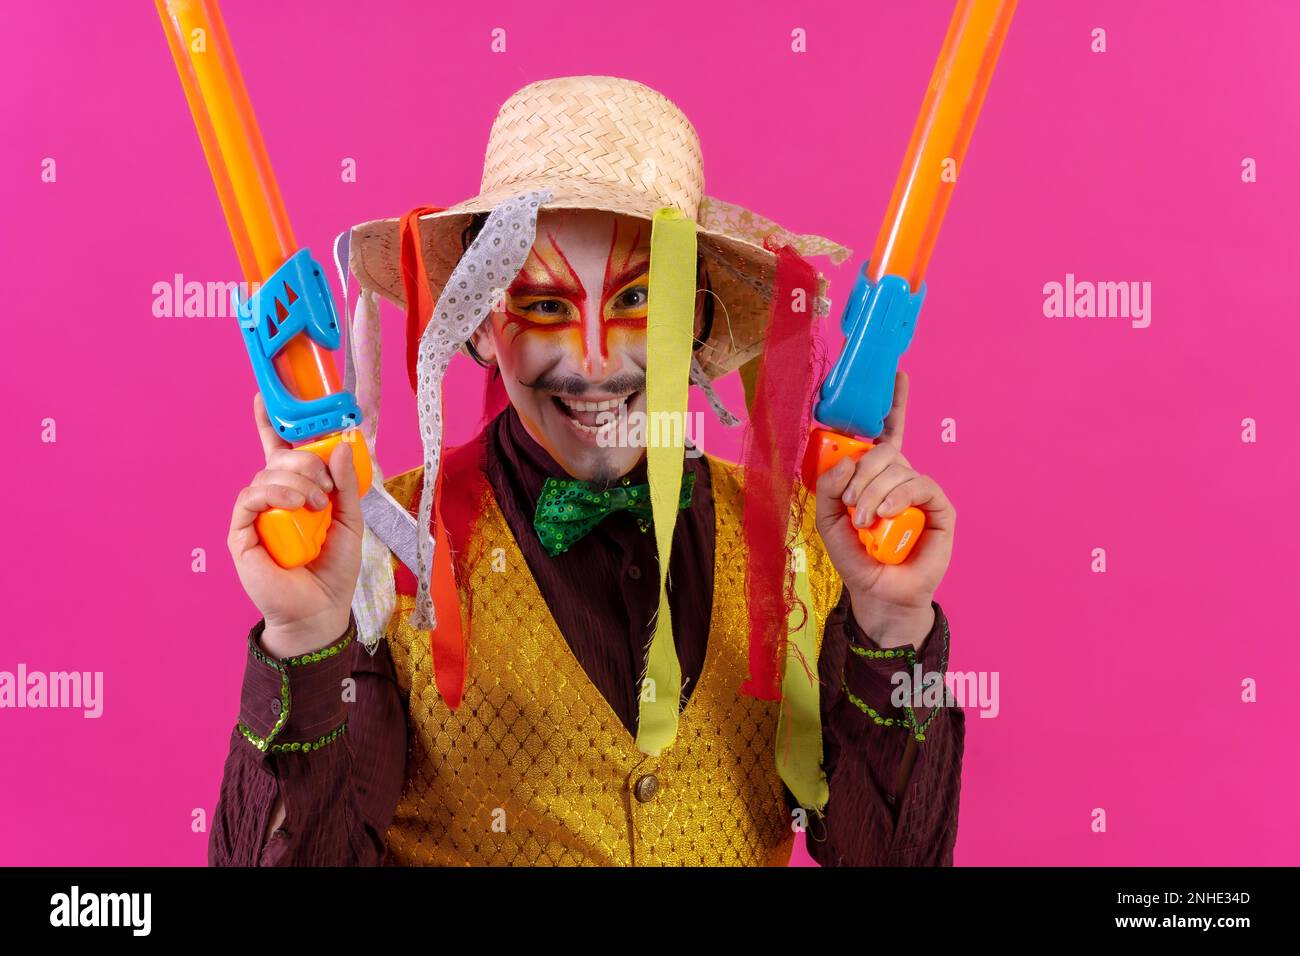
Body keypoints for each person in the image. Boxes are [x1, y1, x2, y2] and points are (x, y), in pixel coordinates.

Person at [212, 75, 963, 866]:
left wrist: (892, 625)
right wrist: (305, 639)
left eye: (641, 299)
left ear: (700, 318)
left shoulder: (813, 542)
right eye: (543, 307)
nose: (595, 362)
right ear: (474, 324)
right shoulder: (372, 555)